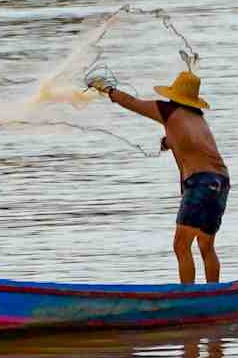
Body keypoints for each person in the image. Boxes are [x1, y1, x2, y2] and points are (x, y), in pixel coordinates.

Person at [88, 71, 230, 285]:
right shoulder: (198, 118)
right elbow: (191, 142)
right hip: (221, 181)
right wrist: (168, 142)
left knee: (181, 245)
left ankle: (188, 297)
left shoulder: (168, 109)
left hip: (200, 182)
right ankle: (215, 294)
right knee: (205, 245)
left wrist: (108, 89)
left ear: (174, 94)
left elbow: (132, 102)